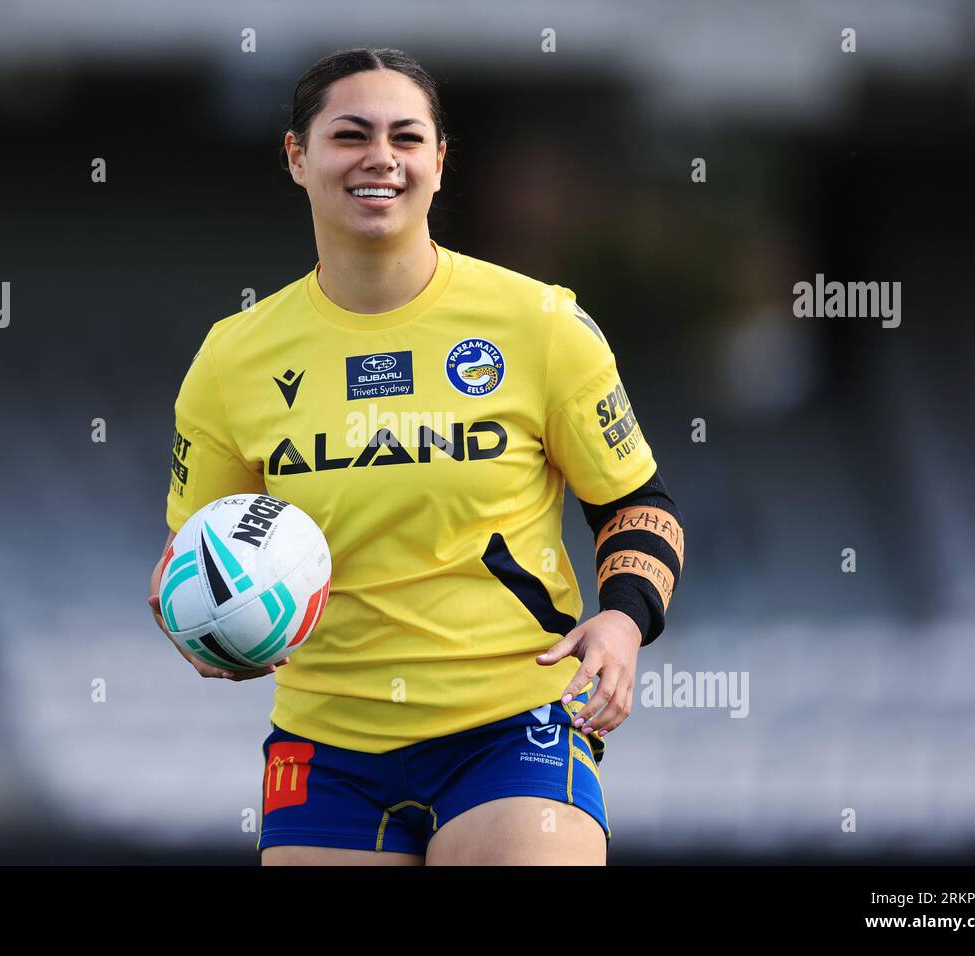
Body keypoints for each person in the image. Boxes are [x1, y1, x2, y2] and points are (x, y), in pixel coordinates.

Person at [148, 47, 685, 866]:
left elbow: (639, 508)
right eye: (350, 134)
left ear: (439, 160)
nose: (381, 158)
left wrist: (622, 621)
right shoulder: (232, 359)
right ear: (298, 157)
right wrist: (195, 620)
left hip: (512, 727)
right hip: (324, 749)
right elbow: (190, 553)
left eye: (406, 136)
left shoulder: (538, 323)